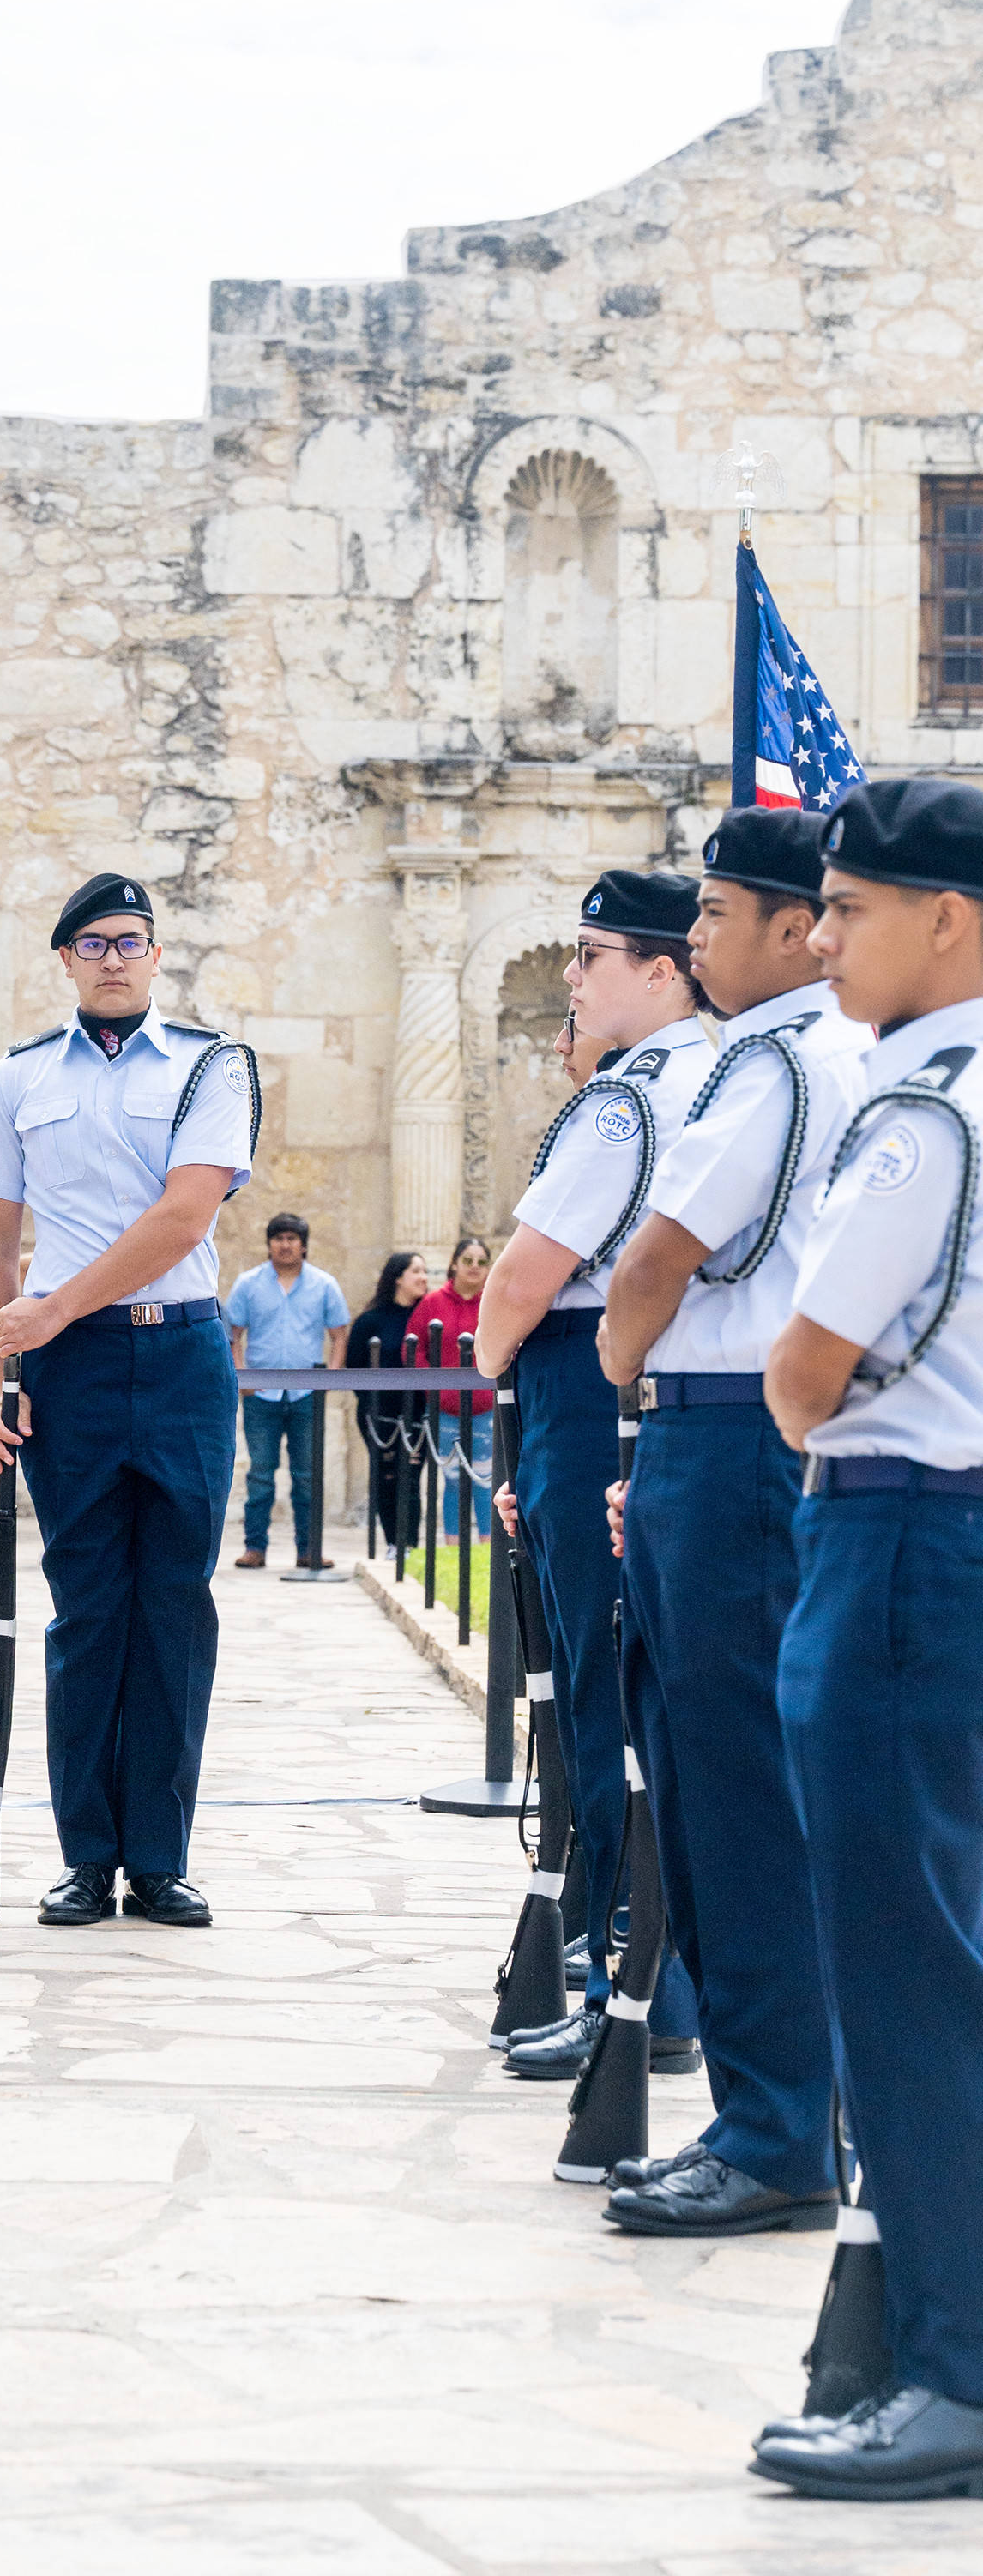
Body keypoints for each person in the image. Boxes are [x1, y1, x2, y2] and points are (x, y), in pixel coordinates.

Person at [749, 777, 983, 2500]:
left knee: (906, 1979)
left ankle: (954, 2373)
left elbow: (803, 1367)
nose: (821, 939)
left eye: (849, 907)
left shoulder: (925, 1113)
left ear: (948, 919)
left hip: (902, 1537)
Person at [593, 806, 871, 2242]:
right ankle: (777, 2112)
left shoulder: (775, 1059)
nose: (694, 937)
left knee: (733, 1791)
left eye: (715, 914)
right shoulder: (831, 1051)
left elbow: (658, 1258)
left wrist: (618, 1370)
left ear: (790, 927)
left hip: (730, 1437)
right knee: (724, 1780)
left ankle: (775, 2133)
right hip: (741, 1438)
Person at [0, 870, 256, 1930]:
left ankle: (160, 1859)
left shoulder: (214, 1066)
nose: (115, 958)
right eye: (94, 943)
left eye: (132, 941)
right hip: (69, 1372)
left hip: (180, 1355)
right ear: (66, 960)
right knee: (86, 1610)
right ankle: (86, 1855)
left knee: (174, 1607)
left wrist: (54, 1306)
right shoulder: (20, 1077)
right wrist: (2, 1379)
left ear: (157, 956)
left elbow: (184, 1219)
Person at [475, 867, 711, 2074]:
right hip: (647, 1380)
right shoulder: (713, 1075)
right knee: (634, 1676)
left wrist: (487, 1353)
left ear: (661, 969)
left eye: (591, 955)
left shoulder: (626, 1102)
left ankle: (625, 1958)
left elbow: (525, 1275)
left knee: (598, 1677)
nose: (570, 977)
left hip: (585, 1374)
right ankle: (639, 1950)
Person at [224, 1214, 348, 1569]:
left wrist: (330, 1380)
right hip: (260, 1395)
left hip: (307, 1395)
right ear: (269, 1244)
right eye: (278, 1238)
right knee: (260, 1475)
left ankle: (309, 1550)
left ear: (304, 1245)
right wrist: (242, 1377)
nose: (285, 1245)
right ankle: (255, 1548)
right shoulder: (248, 1284)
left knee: (307, 1476)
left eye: (292, 1238)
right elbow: (233, 1334)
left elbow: (339, 1335)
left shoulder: (324, 1285)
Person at [407, 1238, 494, 1541]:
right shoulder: (432, 1303)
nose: (474, 1267)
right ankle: (453, 1547)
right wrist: (434, 1387)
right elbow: (413, 1348)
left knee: (485, 1479)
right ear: (454, 1264)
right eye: (467, 1260)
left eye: (482, 1262)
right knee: (453, 1480)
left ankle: (487, 1548)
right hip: (445, 1408)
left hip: (486, 1407)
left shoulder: (493, 1303)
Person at [345, 1249, 429, 1549]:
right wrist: (373, 1404)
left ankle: (411, 1547)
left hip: (418, 1411)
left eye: (425, 1271)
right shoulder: (370, 1321)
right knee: (387, 1475)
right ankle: (394, 1544)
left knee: (412, 1477)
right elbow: (355, 1366)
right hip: (379, 1412)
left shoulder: (426, 1316)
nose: (424, 1277)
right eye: (416, 1271)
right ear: (397, 1278)